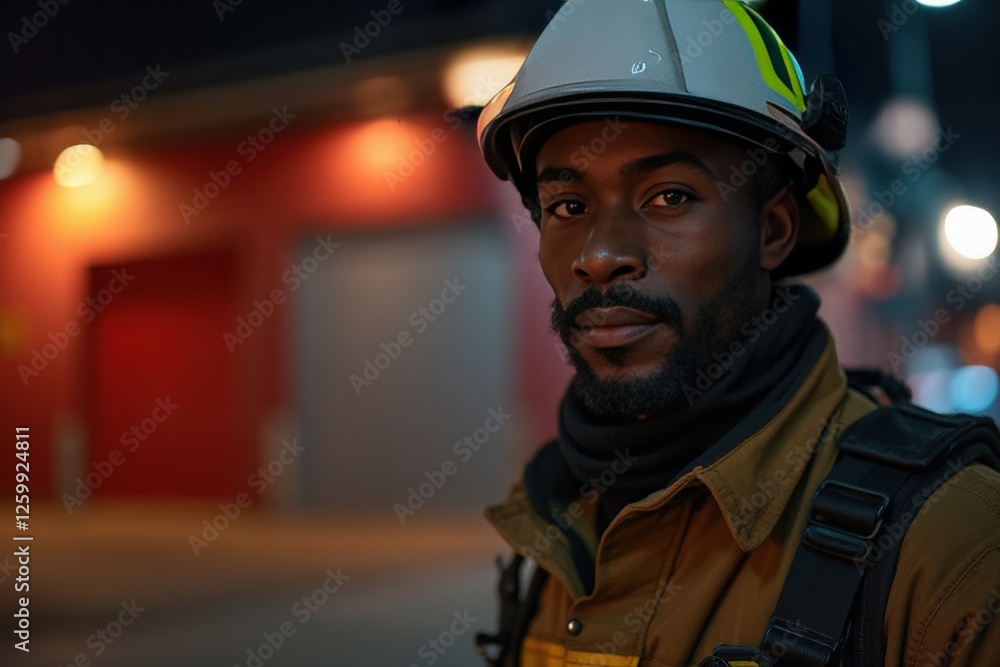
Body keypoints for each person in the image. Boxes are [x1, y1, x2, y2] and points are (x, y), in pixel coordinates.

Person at [473, 1, 1000, 665]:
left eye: (669, 196)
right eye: (568, 206)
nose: (600, 255)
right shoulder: (554, 519)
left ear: (773, 230)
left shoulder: (951, 544)